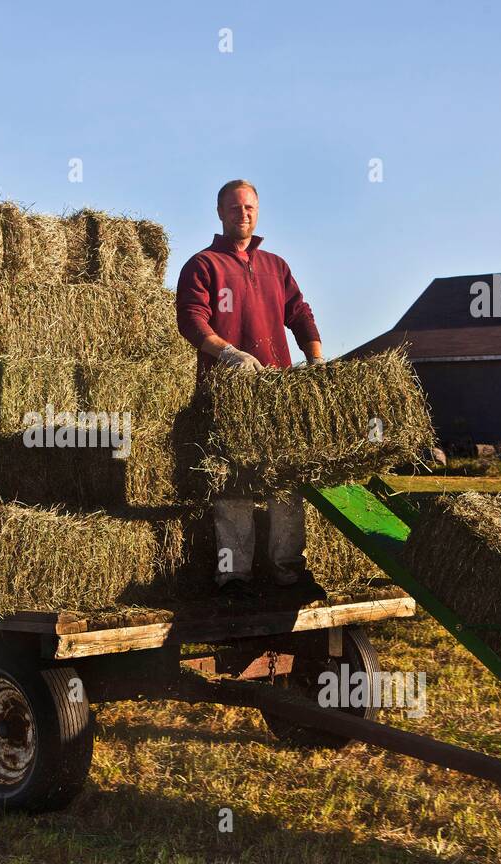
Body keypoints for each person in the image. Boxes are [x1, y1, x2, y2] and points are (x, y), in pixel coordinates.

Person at [175, 179, 326, 601]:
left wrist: (315, 360)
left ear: (258, 211)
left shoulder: (276, 266)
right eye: (235, 207)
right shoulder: (203, 265)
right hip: (227, 392)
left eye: (250, 207)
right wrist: (228, 354)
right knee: (233, 485)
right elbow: (191, 319)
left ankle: (287, 570)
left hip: (276, 391)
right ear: (220, 213)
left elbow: (300, 312)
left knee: (285, 481)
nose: (244, 214)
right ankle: (234, 576)